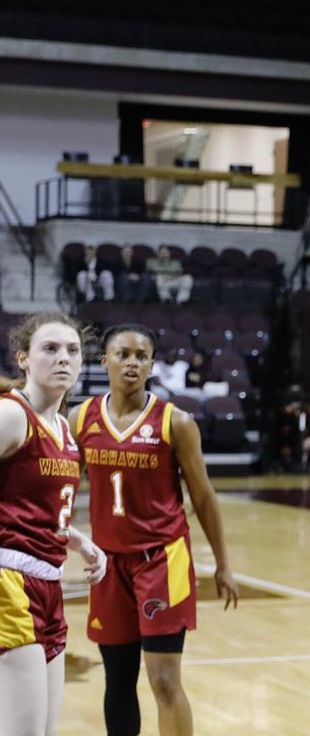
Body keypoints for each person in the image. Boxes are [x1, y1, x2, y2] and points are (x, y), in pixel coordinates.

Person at [72, 324, 242, 736]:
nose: (132, 362)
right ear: (104, 361)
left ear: (151, 365)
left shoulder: (176, 422)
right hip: (108, 566)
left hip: (162, 562)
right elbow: (61, 484)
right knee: (118, 681)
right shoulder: (81, 418)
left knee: (164, 680)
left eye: (141, 356)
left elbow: (203, 496)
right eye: (123, 354)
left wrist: (223, 565)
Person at [0, 313, 108, 736]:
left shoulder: (64, 428)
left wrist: (79, 542)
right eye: (50, 349)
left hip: (49, 585)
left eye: (72, 350)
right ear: (23, 359)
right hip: (10, 583)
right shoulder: (12, 415)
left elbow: (37, 507)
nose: (63, 358)